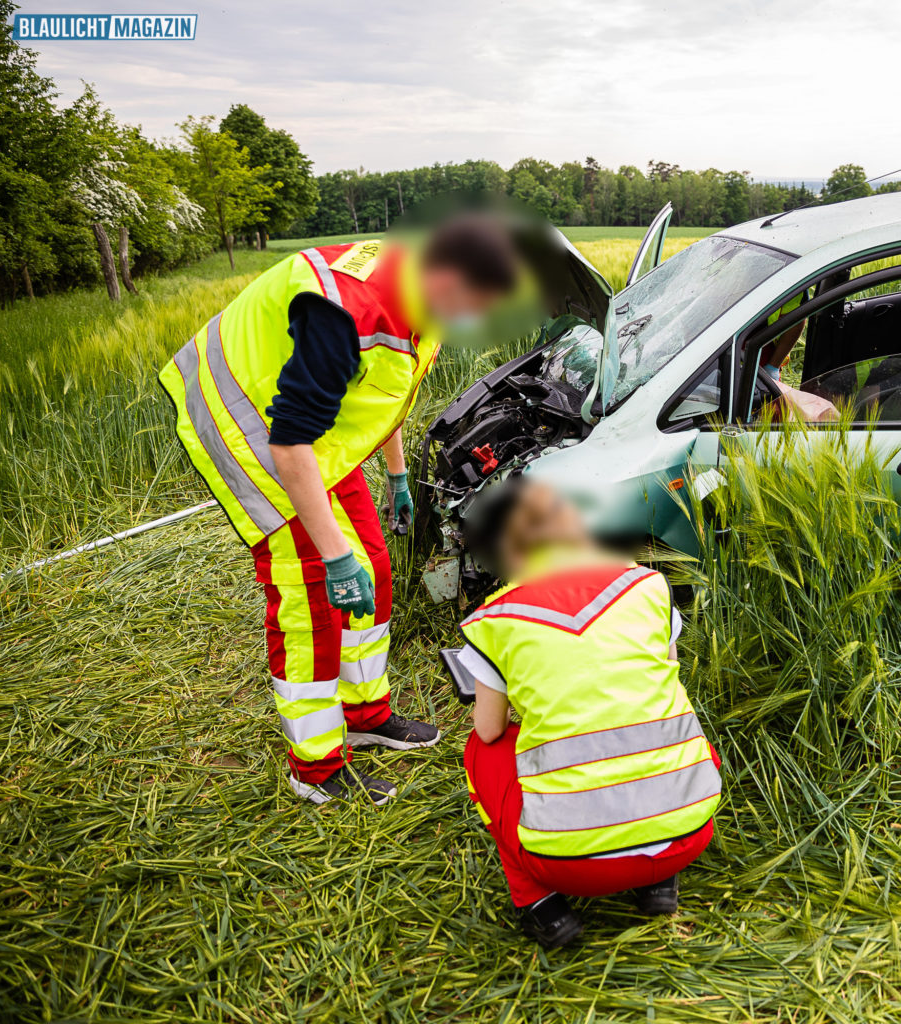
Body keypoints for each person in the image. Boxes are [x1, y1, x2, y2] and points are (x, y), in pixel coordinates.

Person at [158, 215, 517, 805]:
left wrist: (397, 474)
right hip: (252, 430)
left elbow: (384, 392)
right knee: (311, 602)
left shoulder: (428, 295)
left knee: (373, 566)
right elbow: (288, 441)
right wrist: (331, 554)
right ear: (448, 274)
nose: (474, 317)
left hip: (310, 437)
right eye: (475, 300)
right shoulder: (343, 314)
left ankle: (364, 713)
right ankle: (316, 768)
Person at [455, 478, 721, 949]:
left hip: (569, 866)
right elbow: (667, 671)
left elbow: (490, 729)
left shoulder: (496, 618)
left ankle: (541, 905)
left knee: (481, 752)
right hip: (691, 830)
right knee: (667, 723)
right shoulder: (648, 583)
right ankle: (660, 879)